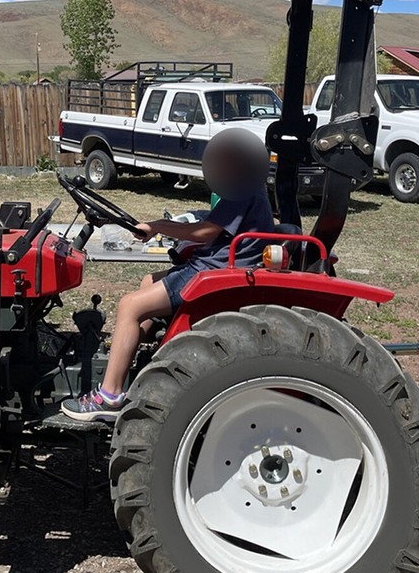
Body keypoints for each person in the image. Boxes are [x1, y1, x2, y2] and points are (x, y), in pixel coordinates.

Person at [62, 129, 275, 423]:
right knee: (148, 281)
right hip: (219, 261)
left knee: (129, 305)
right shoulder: (249, 189)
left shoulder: (243, 191)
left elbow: (206, 232)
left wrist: (159, 225)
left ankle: (109, 396)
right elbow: (214, 224)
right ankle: (139, 361)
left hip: (215, 269)